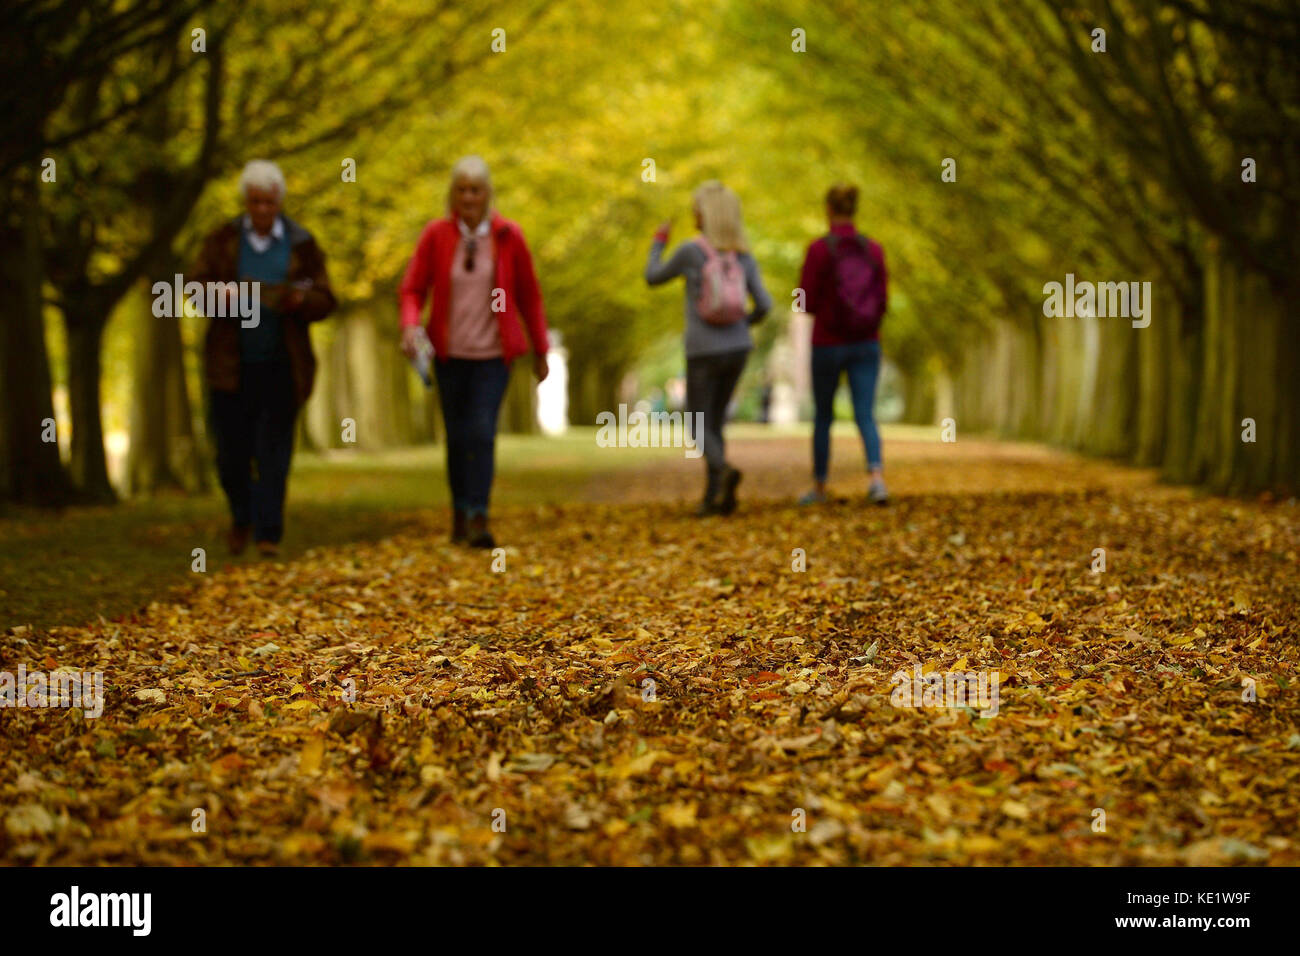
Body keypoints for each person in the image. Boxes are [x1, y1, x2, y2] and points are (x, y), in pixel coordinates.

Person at [399, 156, 550, 548]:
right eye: (462, 189)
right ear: (453, 194)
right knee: (458, 436)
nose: (468, 197)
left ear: (487, 194)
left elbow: (528, 295)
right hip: (449, 355)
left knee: (482, 433)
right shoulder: (436, 235)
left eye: (476, 190)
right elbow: (413, 288)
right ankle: (460, 512)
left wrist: (541, 349)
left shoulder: (508, 236)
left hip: (493, 355)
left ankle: (479, 515)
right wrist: (410, 325)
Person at [194, 159, 337, 557]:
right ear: (245, 201)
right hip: (230, 366)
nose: (261, 210)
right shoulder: (221, 241)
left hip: (282, 365)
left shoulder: (302, 244)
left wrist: (301, 299)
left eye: (269, 203)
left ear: (279, 202)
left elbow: (327, 298)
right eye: (254, 202)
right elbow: (192, 288)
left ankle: (268, 533)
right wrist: (219, 297)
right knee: (231, 454)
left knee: (274, 452)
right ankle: (242, 516)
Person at [645, 180, 771, 515]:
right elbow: (765, 304)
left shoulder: (691, 252)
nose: (693, 214)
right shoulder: (743, 257)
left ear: (706, 214)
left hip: (703, 350)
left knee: (698, 425)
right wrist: (743, 323)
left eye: (696, 208)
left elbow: (652, 276)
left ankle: (723, 472)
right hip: (738, 348)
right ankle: (716, 497)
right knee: (714, 422)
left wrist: (658, 242)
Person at [797, 183, 889, 506]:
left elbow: (805, 301)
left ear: (828, 210)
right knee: (865, 412)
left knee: (824, 416)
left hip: (827, 342)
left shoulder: (819, 250)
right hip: (866, 342)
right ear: (855, 209)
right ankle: (876, 480)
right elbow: (883, 300)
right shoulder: (873, 249)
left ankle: (820, 486)